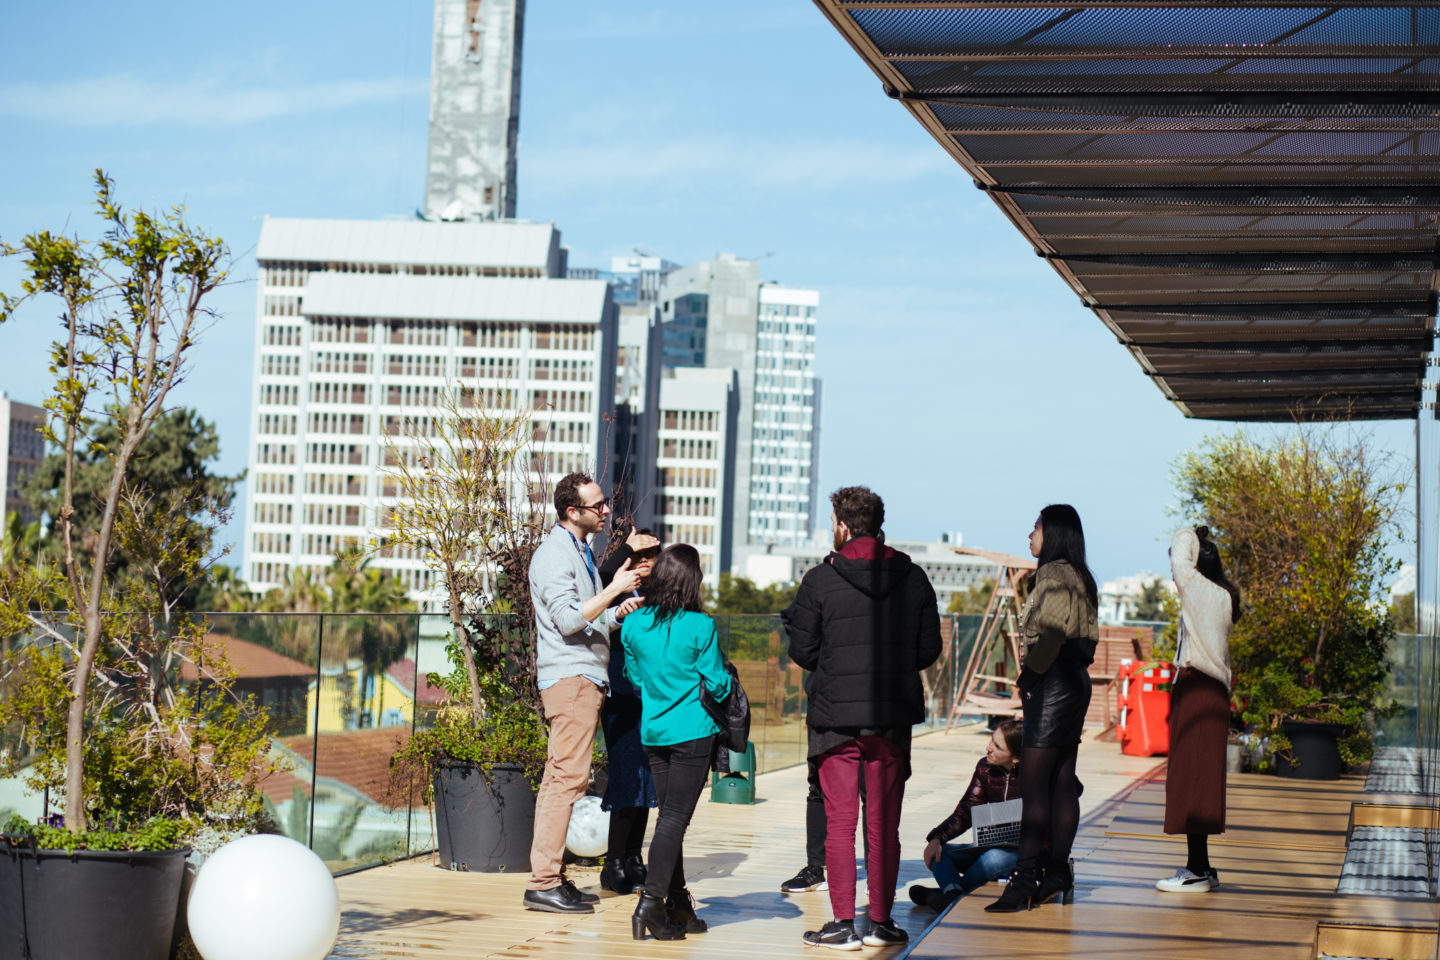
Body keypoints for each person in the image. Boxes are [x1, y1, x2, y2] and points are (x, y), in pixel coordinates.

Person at [784, 486, 942, 950]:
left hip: (835, 717)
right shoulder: (913, 577)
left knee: (839, 824)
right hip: (890, 717)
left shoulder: (820, 579)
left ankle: (841, 925)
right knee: (884, 824)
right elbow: (928, 649)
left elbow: (803, 651)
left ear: (842, 524)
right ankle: (879, 922)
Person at [523, 472, 645, 914]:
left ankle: (549, 877)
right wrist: (614, 589)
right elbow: (568, 620)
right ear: (572, 512)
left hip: (583, 677)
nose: (606, 510)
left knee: (562, 778)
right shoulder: (554, 554)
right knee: (565, 780)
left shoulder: (581, 551)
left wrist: (617, 611)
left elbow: (588, 621)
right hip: (571, 679)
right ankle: (543, 882)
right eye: (598, 505)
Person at [987, 504, 1099, 913]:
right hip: (1075, 682)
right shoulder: (1082, 577)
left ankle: (1023, 880)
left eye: (1035, 527)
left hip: (1053, 682)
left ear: (1052, 533)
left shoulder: (1052, 574)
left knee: (1034, 786)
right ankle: (1055, 873)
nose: (1029, 535)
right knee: (1062, 782)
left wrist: (1028, 679)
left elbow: (1051, 636)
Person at [620, 544, 731, 941]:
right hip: (693, 733)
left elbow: (635, 678)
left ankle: (678, 904)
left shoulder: (633, 624)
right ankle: (651, 902)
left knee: (669, 818)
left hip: (654, 732)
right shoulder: (701, 626)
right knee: (674, 819)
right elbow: (717, 683)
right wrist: (728, 679)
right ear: (691, 581)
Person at [1156, 526, 1240, 894]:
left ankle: (1196, 871)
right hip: (1210, 692)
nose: (1173, 574)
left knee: (1192, 779)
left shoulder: (1201, 591)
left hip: (1198, 690)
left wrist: (1189, 532)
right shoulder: (1221, 596)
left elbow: (1179, 562)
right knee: (1200, 778)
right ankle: (1201, 865)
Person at [597, 526, 662, 895]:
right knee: (626, 773)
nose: (644, 563)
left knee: (648, 776)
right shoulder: (613, 589)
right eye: (639, 556)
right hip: (620, 691)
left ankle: (635, 857)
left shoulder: (660, 595)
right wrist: (626, 549)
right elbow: (603, 575)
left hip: (650, 694)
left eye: (651, 556)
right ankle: (614, 862)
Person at [910, 720, 1023, 911]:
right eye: (991, 740)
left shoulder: (1034, 772)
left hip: (1025, 851)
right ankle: (953, 894)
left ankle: (950, 893)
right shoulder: (985, 768)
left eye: (997, 746)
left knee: (994, 858)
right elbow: (966, 811)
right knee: (942, 852)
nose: (988, 748)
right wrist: (937, 838)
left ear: (1016, 758)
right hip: (993, 842)